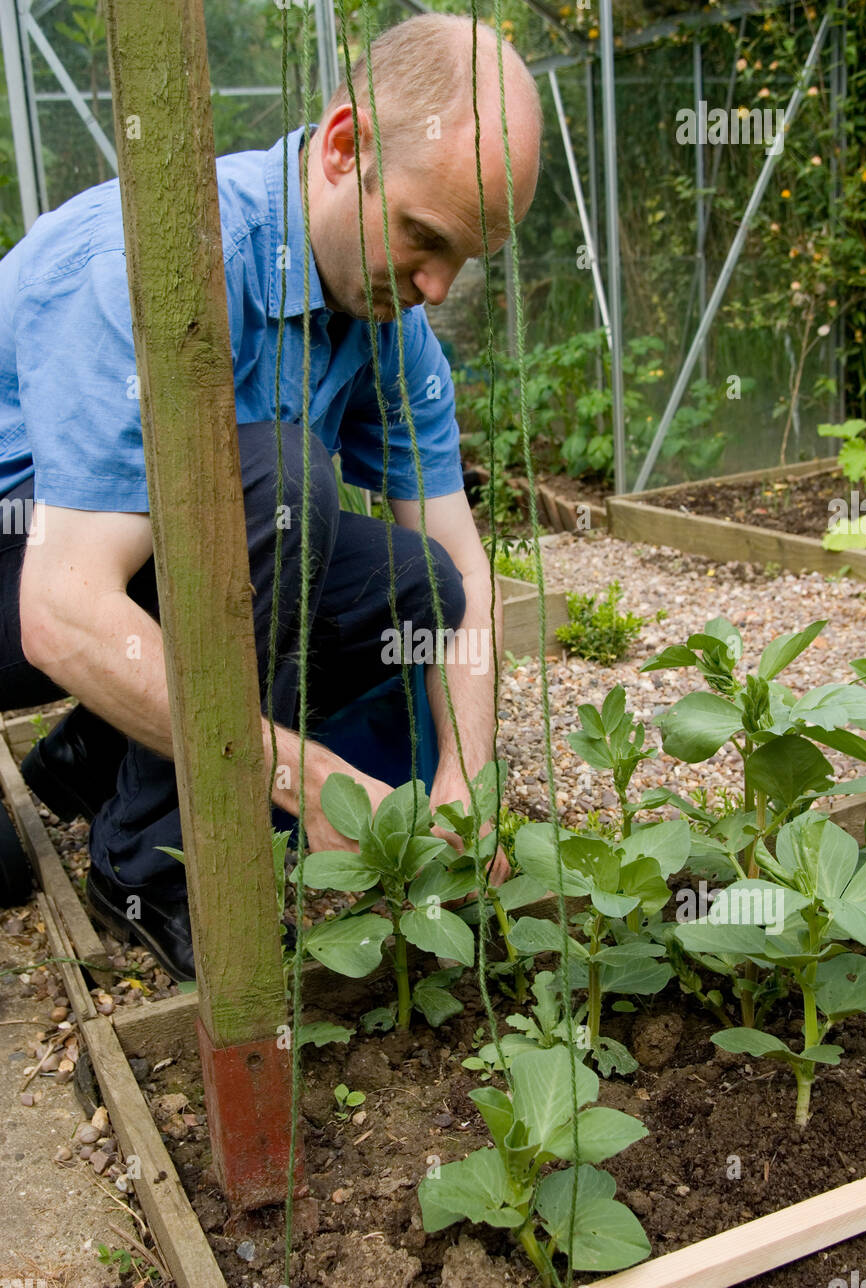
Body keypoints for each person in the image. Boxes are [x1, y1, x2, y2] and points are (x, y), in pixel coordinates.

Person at [0, 14, 542, 980]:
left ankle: (98, 755)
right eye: (424, 238)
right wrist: (316, 782)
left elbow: (465, 568)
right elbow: (58, 610)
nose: (436, 286)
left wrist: (468, 780)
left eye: (463, 258)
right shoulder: (153, 266)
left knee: (418, 583)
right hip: (22, 575)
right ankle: (147, 868)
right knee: (280, 482)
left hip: (117, 580)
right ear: (345, 147)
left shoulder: (388, 318)